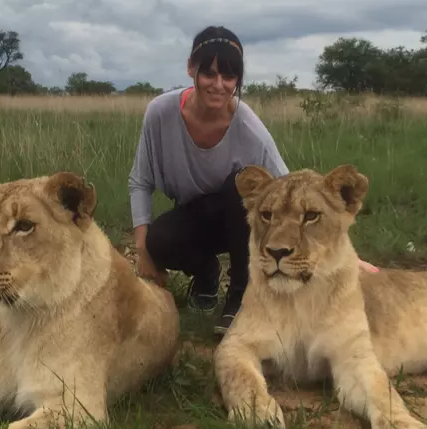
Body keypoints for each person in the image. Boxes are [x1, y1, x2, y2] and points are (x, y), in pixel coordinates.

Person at [128, 25, 379, 338]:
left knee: (243, 186)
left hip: (237, 223)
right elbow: (140, 182)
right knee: (158, 240)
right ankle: (205, 273)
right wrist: (142, 248)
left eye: (230, 77)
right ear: (191, 68)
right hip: (192, 214)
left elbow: (292, 191)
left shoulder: (248, 127)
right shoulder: (160, 113)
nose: (219, 85)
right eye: (209, 73)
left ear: (238, 79)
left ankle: (239, 297)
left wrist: (348, 257)